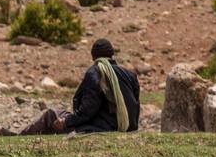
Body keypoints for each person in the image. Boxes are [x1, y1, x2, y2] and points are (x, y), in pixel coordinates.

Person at [7, 38, 140, 136]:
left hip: (99, 127)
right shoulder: (130, 75)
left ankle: (20, 137)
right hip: (126, 127)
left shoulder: (95, 72)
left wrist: (67, 122)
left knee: (51, 115)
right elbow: (136, 107)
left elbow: (88, 109)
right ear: (112, 55)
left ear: (93, 56)